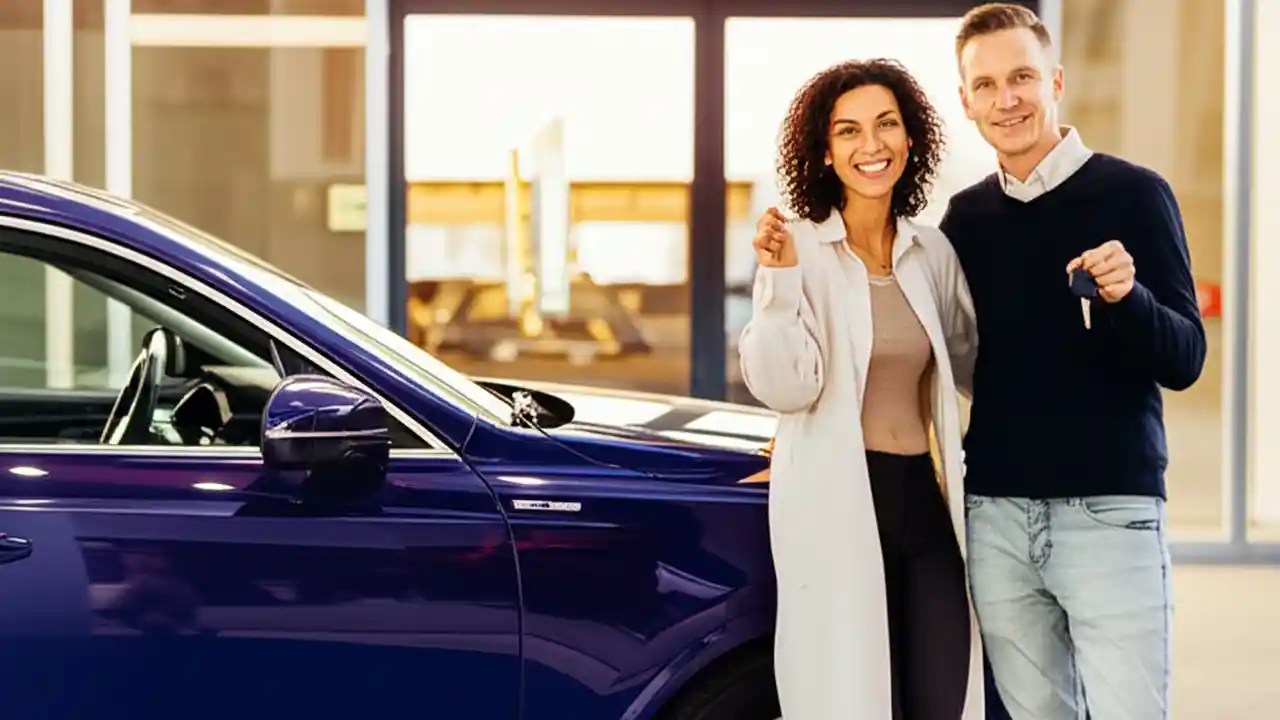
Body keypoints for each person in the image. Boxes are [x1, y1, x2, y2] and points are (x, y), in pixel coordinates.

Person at [940, 5, 1207, 720]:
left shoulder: (1134, 194)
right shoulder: (964, 222)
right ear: (966, 102)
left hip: (1110, 515)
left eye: (1022, 76)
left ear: (1054, 79)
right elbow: (954, 360)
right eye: (987, 84)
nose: (1008, 99)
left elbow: (1186, 358)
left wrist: (1128, 298)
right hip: (997, 516)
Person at [739, 58, 983, 720]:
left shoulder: (932, 254)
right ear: (825, 150)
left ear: (911, 140)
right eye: (848, 131)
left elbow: (973, 367)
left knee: (943, 692)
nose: (870, 145)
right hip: (838, 500)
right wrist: (781, 280)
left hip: (924, 503)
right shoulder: (799, 247)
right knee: (850, 700)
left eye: (885, 125)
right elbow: (786, 388)